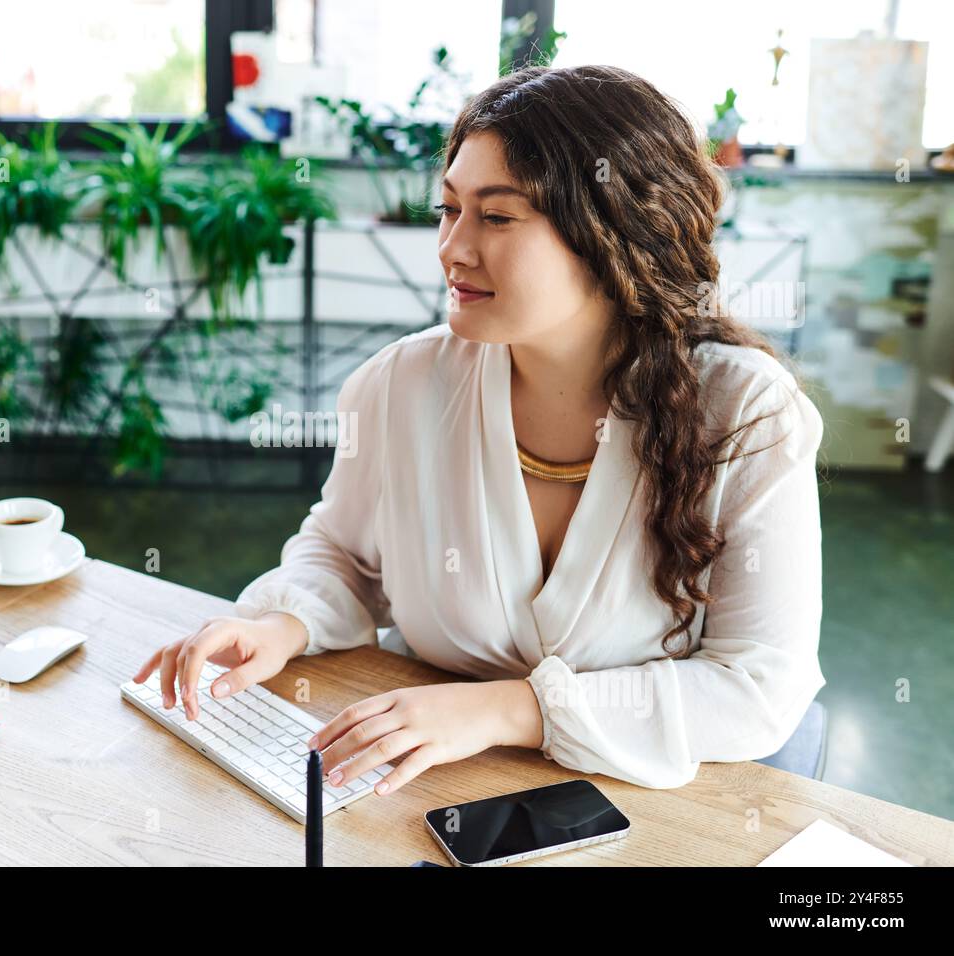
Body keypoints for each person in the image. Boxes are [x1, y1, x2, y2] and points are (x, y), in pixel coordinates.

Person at [132, 64, 826, 791]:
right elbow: (341, 551)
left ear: (615, 233)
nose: (453, 249)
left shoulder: (746, 413)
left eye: (496, 217)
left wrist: (503, 710)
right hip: (419, 785)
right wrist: (284, 624)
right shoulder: (399, 385)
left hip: (639, 809)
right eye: (448, 210)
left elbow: (758, 686)